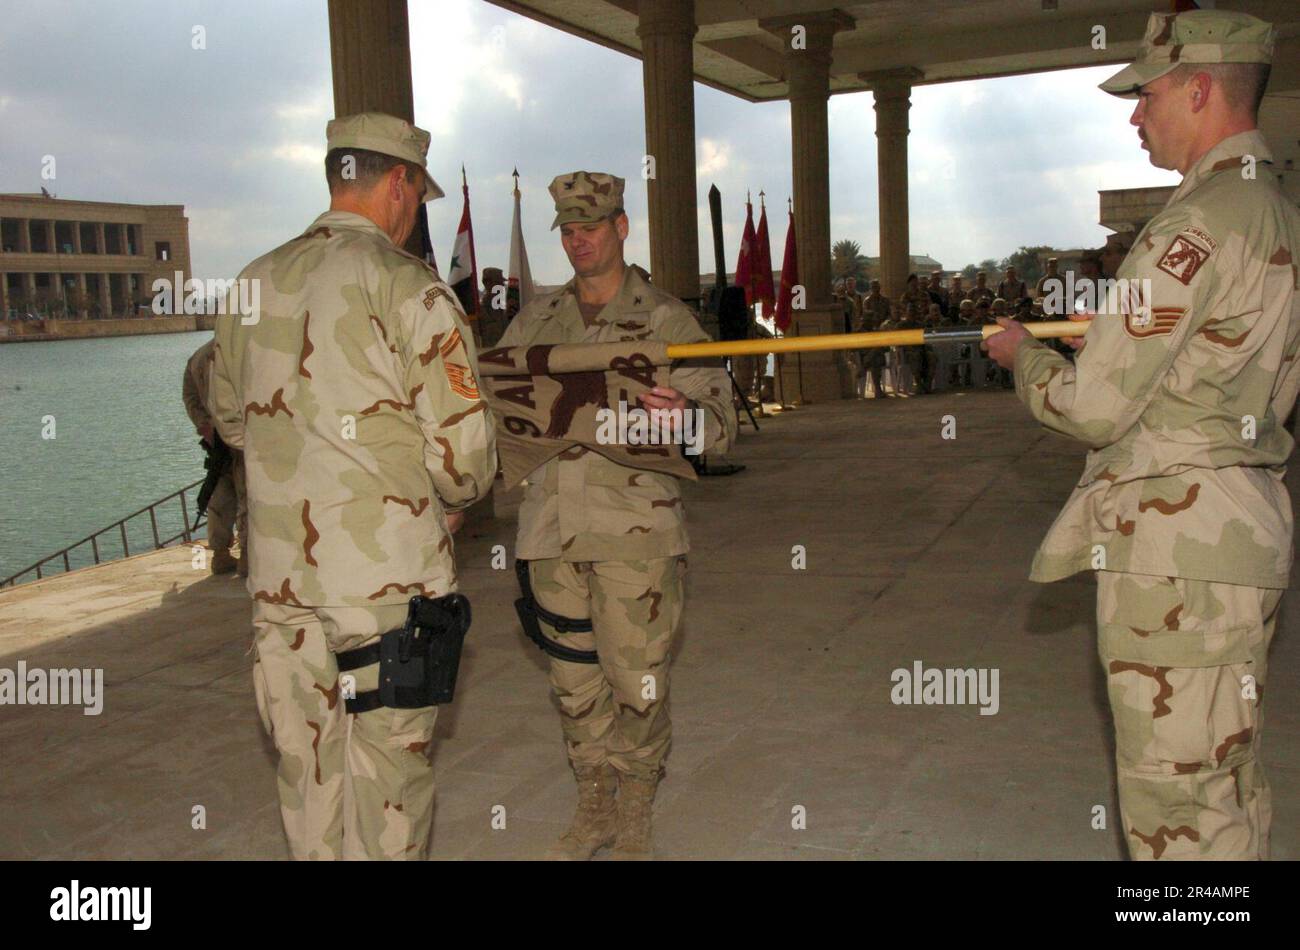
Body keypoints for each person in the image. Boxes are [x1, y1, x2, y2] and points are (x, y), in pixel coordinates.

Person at [985, 9, 1296, 860]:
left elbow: (1091, 407)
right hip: (1241, 528)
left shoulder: (1192, 226)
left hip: (1177, 552)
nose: (1135, 114)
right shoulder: (1273, 210)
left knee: (1175, 806)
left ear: (1199, 89)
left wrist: (1026, 357)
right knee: (1224, 780)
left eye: (1147, 94)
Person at [209, 112, 497, 860]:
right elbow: (467, 461)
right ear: (399, 184)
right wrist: (449, 503)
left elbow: (232, 426)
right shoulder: (409, 287)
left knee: (309, 783)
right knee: (389, 786)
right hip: (387, 594)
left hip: (281, 591)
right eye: (417, 196)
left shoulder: (249, 284)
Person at [496, 171, 735, 860]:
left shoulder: (665, 319)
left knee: (637, 683)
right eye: (567, 230)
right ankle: (594, 801)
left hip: (636, 533)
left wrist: (685, 420)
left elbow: (719, 423)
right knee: (572, 685)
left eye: (591, 228)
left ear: (622, 228)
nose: (578, 241)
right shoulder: (536, 318)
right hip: (548, 532)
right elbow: (499, 403)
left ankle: (636, 804)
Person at [183, 339, 247, 576]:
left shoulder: (199, 356)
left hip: (217, 439)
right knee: (248, 496)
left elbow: (189, 395)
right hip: (243, 436)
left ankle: (220, 554)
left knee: (220, 496)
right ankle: (249, 558)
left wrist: (204, 425)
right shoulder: (240, 350)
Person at [859, 279, 891, 398]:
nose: (875, 289)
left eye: (876, 286)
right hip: (872, 335)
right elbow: (867, 316)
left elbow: (889, 315)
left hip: (883, 332)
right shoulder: (867, 301)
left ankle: (864, 367)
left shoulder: (885, 301)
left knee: (876, 353)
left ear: (880, 287)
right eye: (873, 287)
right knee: (876, 358)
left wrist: (883, 326)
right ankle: (878, 390)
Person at [478, 266, 510, 347]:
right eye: (499, 283)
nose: (502, 285)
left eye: (502, 283)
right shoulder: (480, 310)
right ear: (488, 283)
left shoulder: (500, 308)